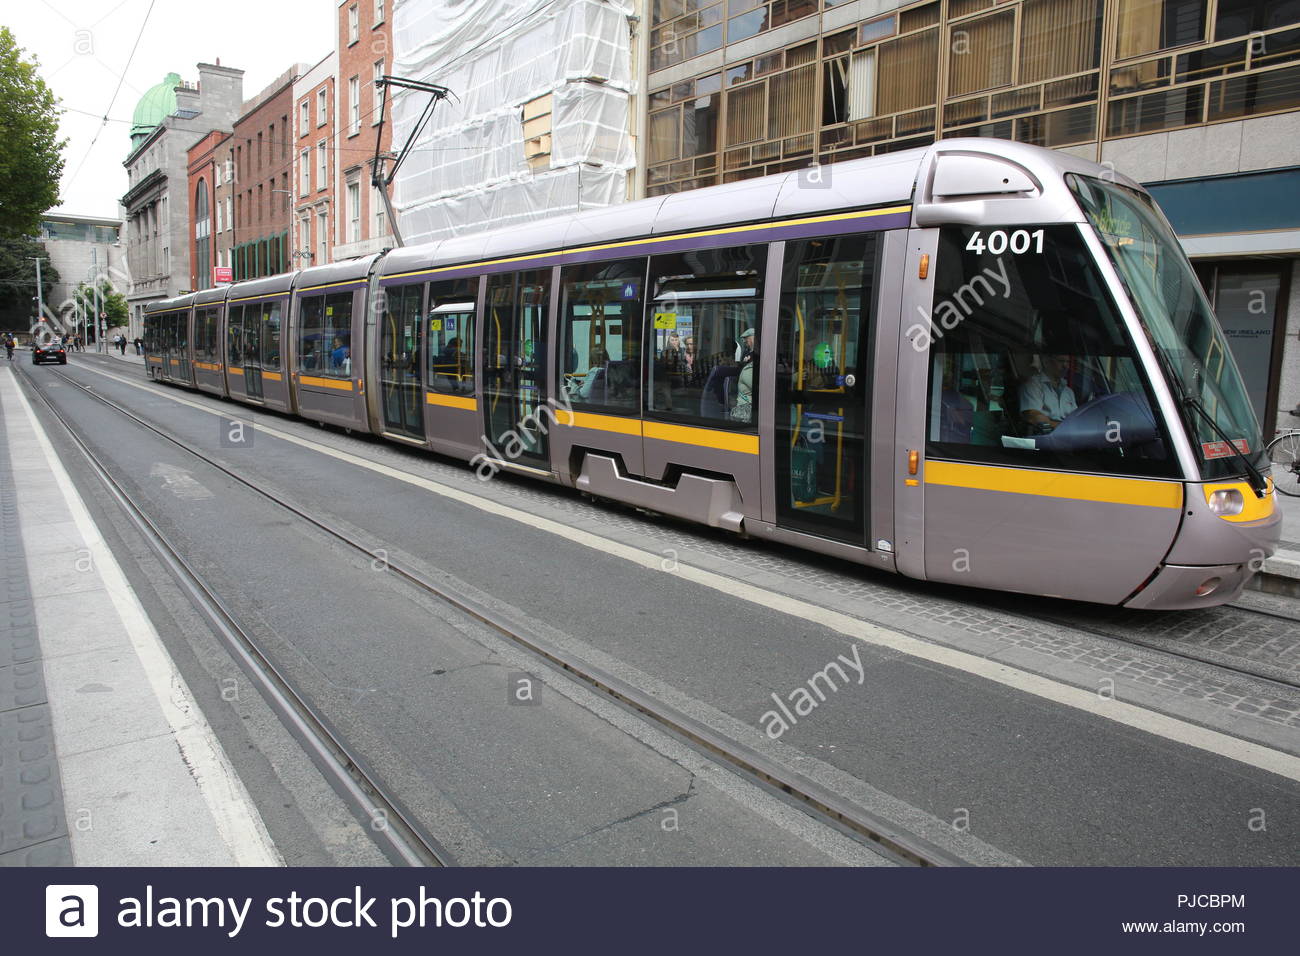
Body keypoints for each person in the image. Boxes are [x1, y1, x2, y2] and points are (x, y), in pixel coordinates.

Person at [1020, 351, 1077, 432]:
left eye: (1067, 362)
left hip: (1068, 437)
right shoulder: (1033, 385)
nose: (1065, 366)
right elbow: (1033, 416)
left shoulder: (1068, 391)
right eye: (1061, 361)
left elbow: (1076, 418)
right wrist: (1063, 427)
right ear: (1047, 362)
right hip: (1044, 436)